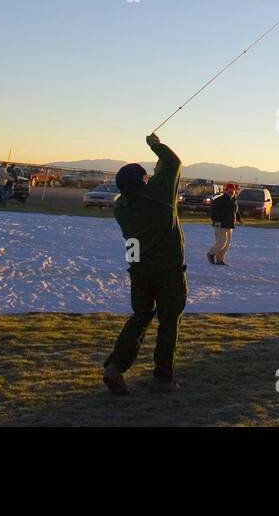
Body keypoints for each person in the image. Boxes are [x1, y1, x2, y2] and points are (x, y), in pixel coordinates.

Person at [104, 133, 186, 396]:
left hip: (138, 270)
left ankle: (115, 366)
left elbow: (167, 169)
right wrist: (155, 145)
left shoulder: (121, 207)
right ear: (143, 182)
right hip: (168, 270)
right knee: (169, 322)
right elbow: (172, 163)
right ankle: (163, 379)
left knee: (140, 317)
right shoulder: (159, 197)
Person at [208, 182, 237, 266]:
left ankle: (219, 260)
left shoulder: (234, 200)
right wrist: (216, 221)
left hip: (229, 225)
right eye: (229, 191)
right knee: (222, 242)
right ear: (226, 190)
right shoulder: (219, 200)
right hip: (220, 224)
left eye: (233, 191)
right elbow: (213, 212)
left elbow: (235, 212)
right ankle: (211, 254)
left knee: (227, 244)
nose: (231, 192)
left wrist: (239, 219)